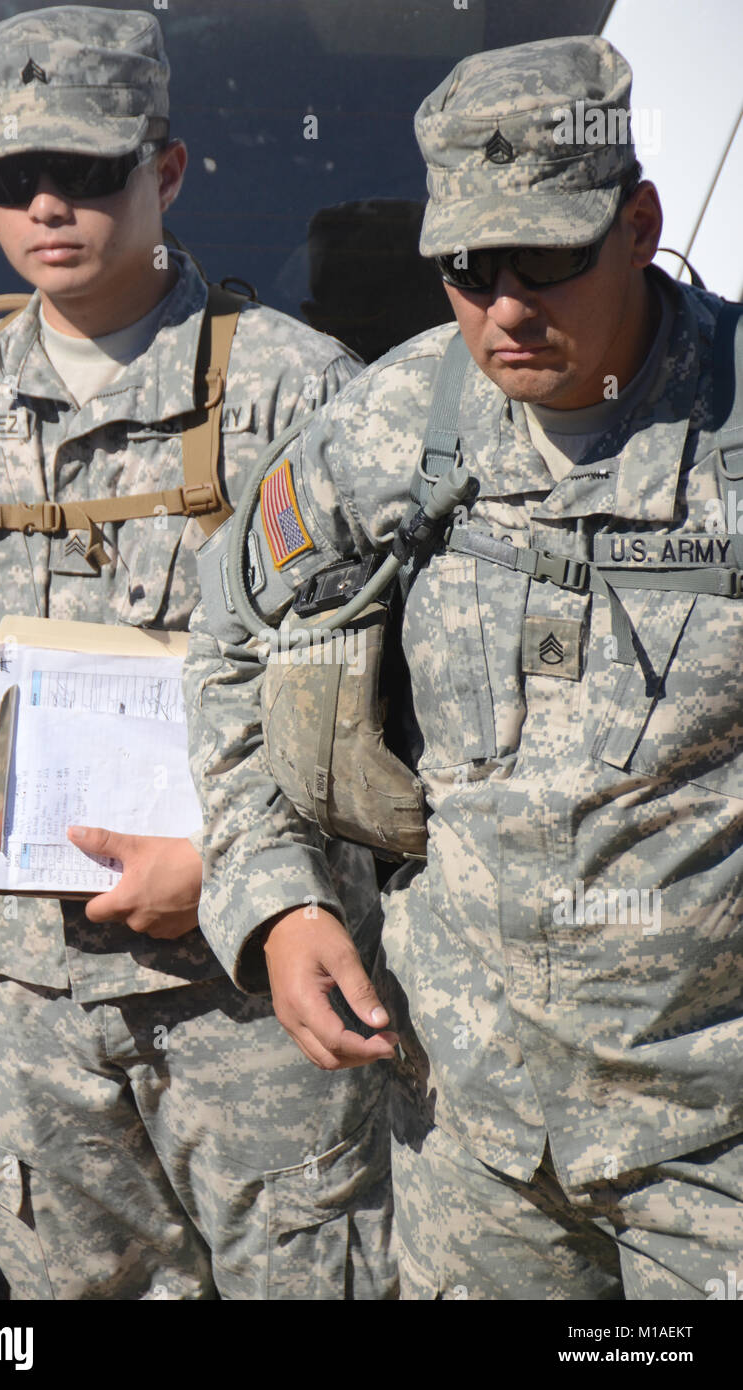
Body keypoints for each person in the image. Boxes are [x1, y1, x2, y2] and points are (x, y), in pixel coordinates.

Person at [185, 34, 743, 1300]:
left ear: (641, 220)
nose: (503, 305)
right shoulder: (398, 421)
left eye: (545, 256)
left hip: (714, 1161)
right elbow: (234, 629)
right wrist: (278, 897)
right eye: (464, 266)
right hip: (471, 1144)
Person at [0, 5, 396, 1300]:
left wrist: (230, 864)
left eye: (87, 171)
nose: (48, 205)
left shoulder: (299, 396)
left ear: (163, 170)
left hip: (248, 995)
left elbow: (393, 719)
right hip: (29, 1013)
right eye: (11, 180)